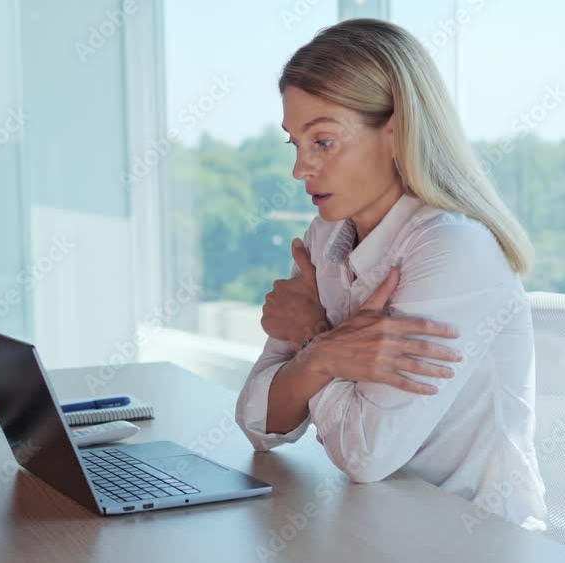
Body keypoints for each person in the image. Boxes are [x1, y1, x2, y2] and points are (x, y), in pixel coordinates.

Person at [234, 19, 546, 530]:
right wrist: (323, 355)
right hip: (377, 524)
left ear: (397, 133)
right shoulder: (326, 236)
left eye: (323, 142)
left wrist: (314, 339)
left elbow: (366, 455)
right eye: (295, 143)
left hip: (475, 538)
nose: (300, 169)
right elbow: (259, 422)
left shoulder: (453, 248)